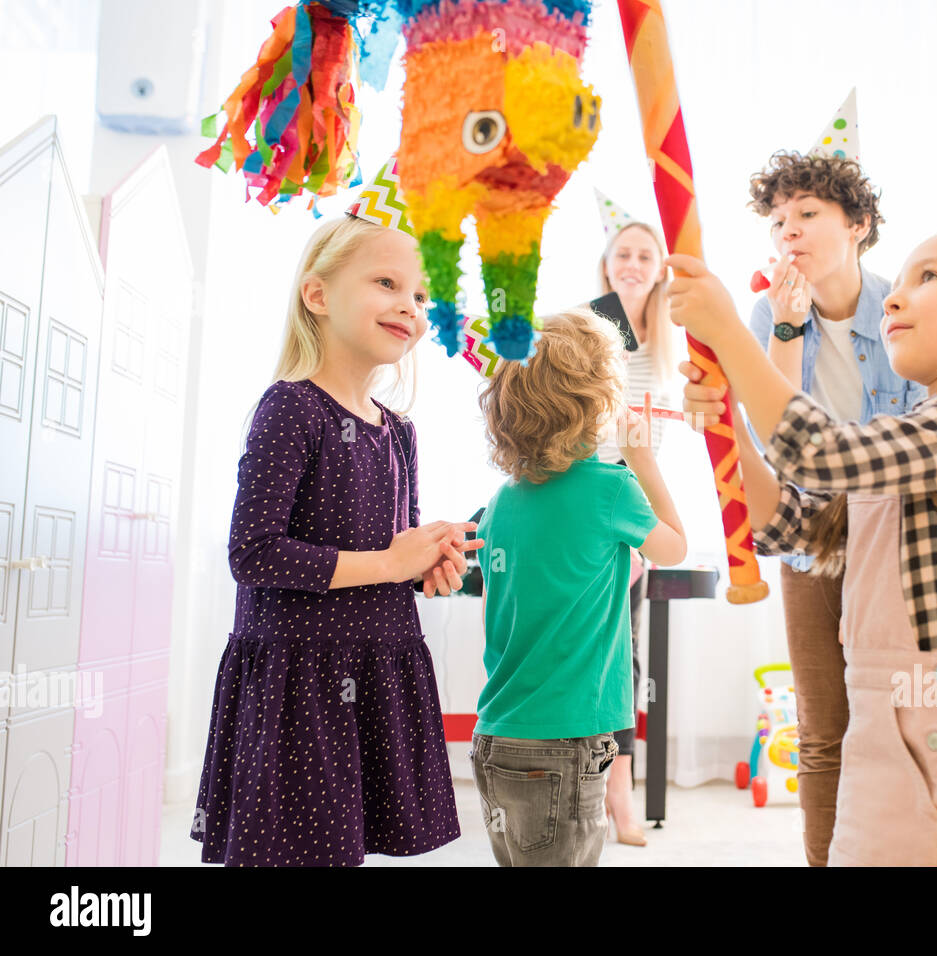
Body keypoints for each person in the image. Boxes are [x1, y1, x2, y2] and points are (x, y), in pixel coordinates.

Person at [673, 212, 937, 864]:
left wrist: (729, 337)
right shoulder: (919, 429)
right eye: (901, 279)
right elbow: (792, 522)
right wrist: (732, 427)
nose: (893, 297)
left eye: (930, 276)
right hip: (885, 743)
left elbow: (819, 453)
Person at [191, 209, 480, 866]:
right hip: (302, 681)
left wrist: (424, 565)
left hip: (374, 664)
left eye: (421, 295)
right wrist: (388, 562)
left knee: (342, 846)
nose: (408, 306)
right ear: (317, 295)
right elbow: (253, 553)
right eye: (387, 283)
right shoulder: (290, 407)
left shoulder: (399, 431)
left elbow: (389, 551)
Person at [745, 148, 923, 865]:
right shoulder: (767, 312)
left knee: (897, 723)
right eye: (779, 219)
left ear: (859, 224)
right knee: (823, 731)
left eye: (808, 214)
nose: (789, 230)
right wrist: (786, 329)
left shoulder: (907, 303)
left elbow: (923, 424)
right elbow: (773, 440)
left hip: (900, 535)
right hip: (809, 537)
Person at [473, 308, 687, 866]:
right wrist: (640, 458)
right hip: (569, 742)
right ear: (597, 404)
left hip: (495, 739)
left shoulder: (501, 503)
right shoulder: (610, 489)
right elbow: (675, 547)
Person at [594, 214, 677, 846]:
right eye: (623, 253)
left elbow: (660, 438)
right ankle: (591, 788)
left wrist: (643, 533)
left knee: (626, 657)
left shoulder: (672, 338)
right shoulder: (590, 325)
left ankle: (621, 794)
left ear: (660, 268)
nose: (632, 264)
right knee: (588, 652)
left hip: (638, 501)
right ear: (607, 262)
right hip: (592, 501)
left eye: (644, 256)